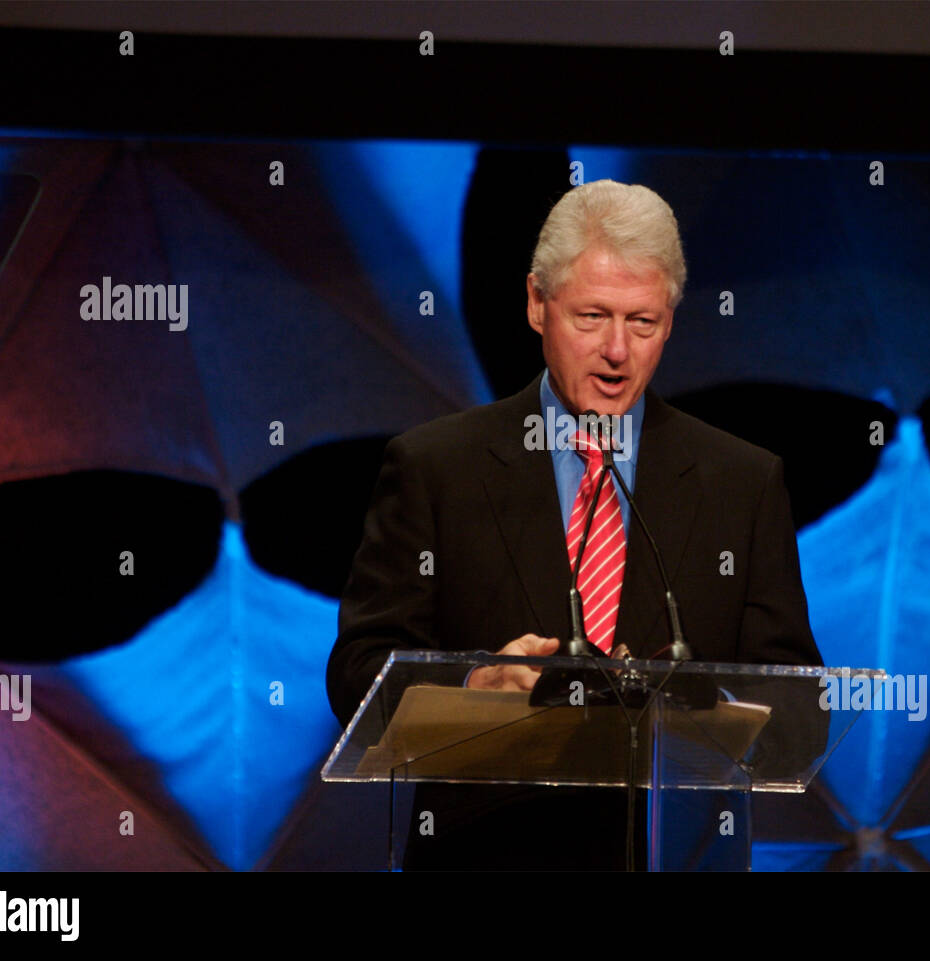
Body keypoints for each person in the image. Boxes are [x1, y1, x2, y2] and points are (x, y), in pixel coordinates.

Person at [326, 179, 824, 869]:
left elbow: (801, 700)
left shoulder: (741, 481)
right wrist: (476, 687)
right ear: (537, 303)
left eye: (643, 322)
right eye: (591, 316)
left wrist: (709, 709)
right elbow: (358, 671)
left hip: (676, 852)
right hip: (488, 853)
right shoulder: (437, 467)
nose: (618, 351)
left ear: (670, 319)